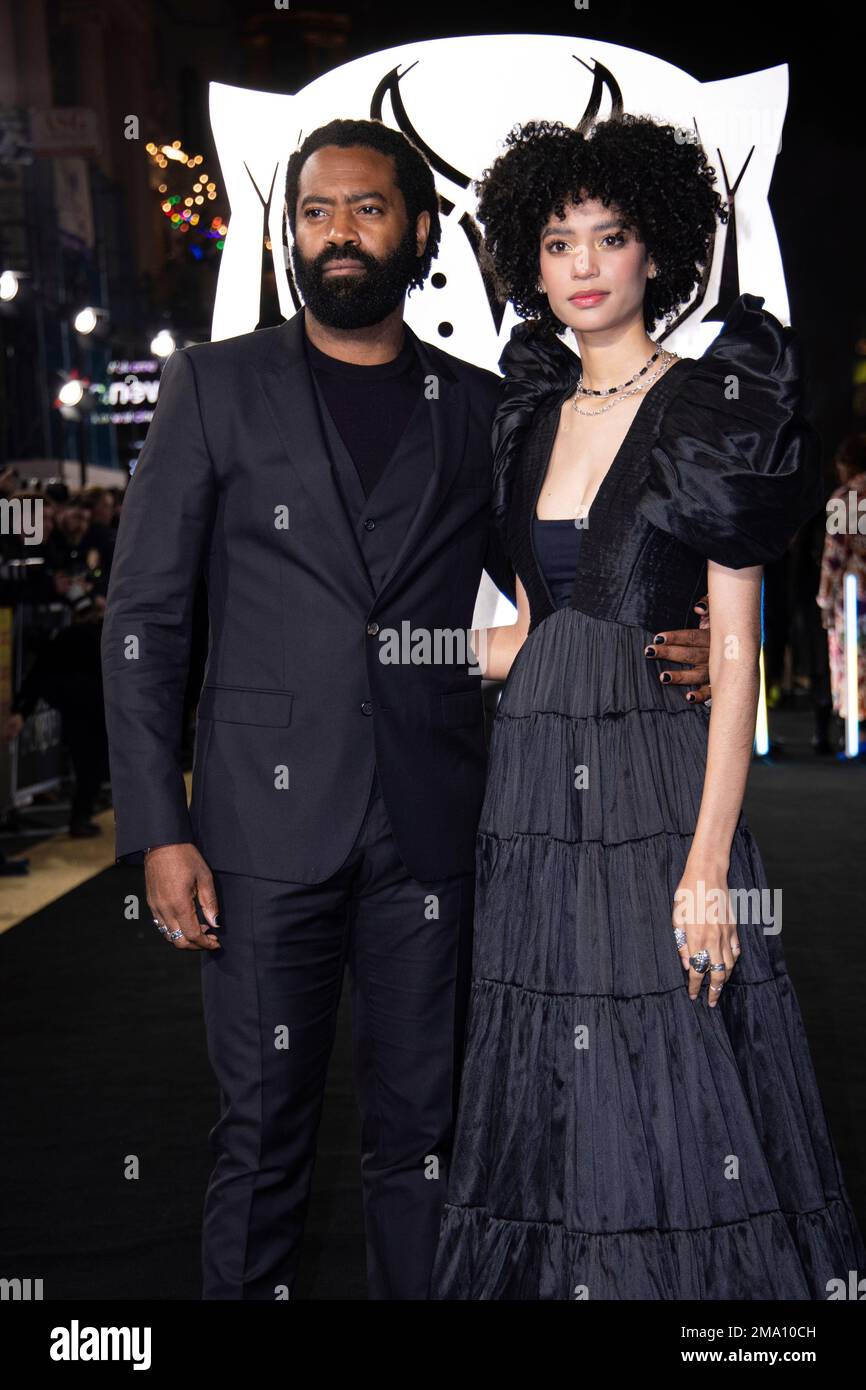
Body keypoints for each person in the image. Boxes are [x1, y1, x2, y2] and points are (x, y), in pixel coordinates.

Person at [100, 117, 711, 1301]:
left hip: (433, 824)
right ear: (291, 236)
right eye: (316, 212)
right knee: (260, 1132)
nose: (339, 232)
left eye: (367, 208)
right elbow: (145, 622)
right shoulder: (214, 387)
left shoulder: (480, 409)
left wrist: (670, 631)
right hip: (255, 832)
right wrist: (154, 826)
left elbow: (563, 577)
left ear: (418, 229)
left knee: (423, 1139)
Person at [431, 114, 866, 1299]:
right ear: (527, 260)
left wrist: (708, 862)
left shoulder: (712, 407)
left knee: (667, 1039)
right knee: (551, 1045)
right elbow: (529, 626)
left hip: (657, 784)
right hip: (532, 784)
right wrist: (367, 654)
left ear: (653, 252)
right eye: (557, 240)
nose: (581, 264)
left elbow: (733, 651)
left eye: (608, 237)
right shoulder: (526, 415)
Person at [818, 433, 866, 741]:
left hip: (856, 592)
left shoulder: (846, 498)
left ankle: (855, 728)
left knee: (853, 656)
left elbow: (834, 554)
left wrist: (824, 597)